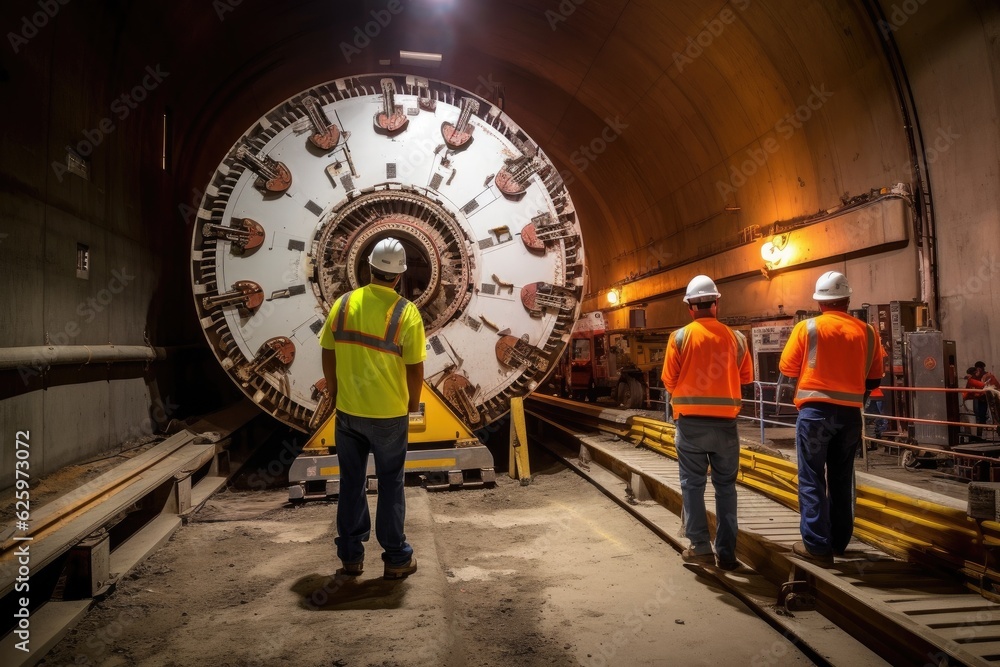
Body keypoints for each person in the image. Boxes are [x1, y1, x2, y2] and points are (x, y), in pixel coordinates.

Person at [318, 238, 426, 580]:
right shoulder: (407, 313)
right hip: (390, 418)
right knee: (391, 484)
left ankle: (351, 558)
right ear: (399, 276)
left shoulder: (344, 304)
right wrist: (411, 402)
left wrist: (334, 390)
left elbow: (327, 349)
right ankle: (396, 559)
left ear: (368, 267)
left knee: (351, 483)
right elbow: (415, 367)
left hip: (349, 413)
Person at [779, 271, 884, 565]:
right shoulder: (868, 332)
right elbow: (874, 381)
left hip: (815, 415)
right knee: (841, 479)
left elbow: (787, 369)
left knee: (812, 477)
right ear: (847, 300)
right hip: (850, 416)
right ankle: (839, 543)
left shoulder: (807, 328)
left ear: (819, 302)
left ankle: (817, 547)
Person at [661, 275, 752, 571]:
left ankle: (700, 547)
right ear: (716, 304)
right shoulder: (736, 339)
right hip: (726, 427)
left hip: (690, 426)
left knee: (692, 485)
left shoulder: (679, 337)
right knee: (726, 488)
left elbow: (669, 381)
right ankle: (726, 554)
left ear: (690, 307)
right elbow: (745, 378)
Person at [965, 366, 987, 438]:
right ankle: (979, 435)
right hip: (978, 399)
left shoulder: (973, 380)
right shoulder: (973, 380)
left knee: (980, 417)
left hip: (979, 399)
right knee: (980, 417)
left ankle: (979, 435)